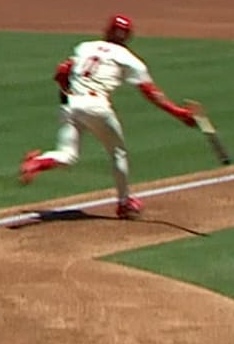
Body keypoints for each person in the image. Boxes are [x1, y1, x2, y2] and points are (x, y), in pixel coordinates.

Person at [19, 15, 198, 219]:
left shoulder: (85, 47)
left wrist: (67, 98)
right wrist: (178, 113)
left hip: (71, 104)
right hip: (97, 107)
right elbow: (150, 91)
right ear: (128, 36)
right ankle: (124, 203)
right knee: (117, 152)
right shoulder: (130, 59)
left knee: (67, 155)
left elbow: (61, 73)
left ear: (107, 30)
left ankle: (38, 162)